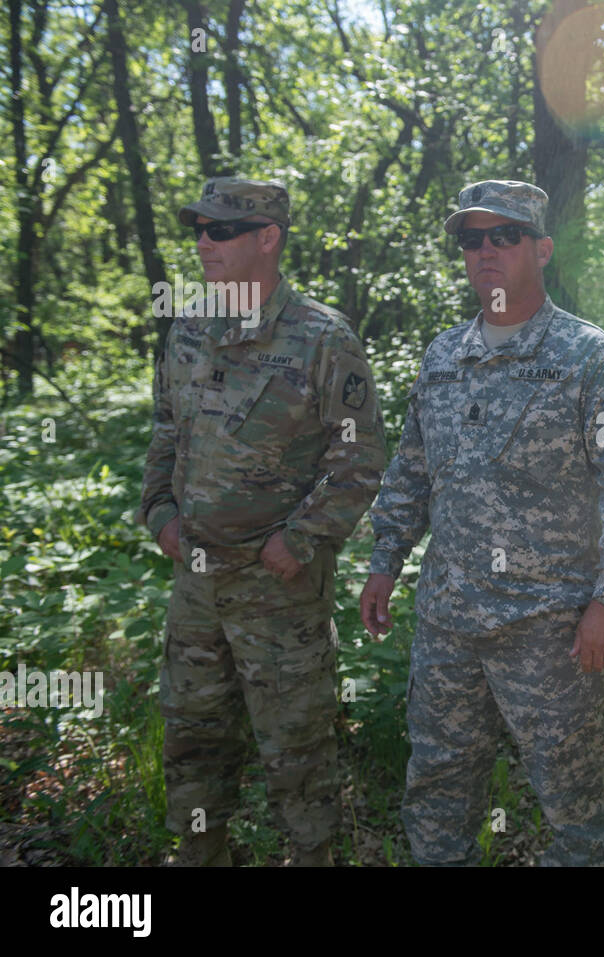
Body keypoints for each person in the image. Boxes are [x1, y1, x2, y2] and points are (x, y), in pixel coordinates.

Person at [359, 180, 604, 866]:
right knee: (437, 785)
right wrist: (386, 558)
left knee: (575, 804)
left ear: (543, 249)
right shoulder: (443, 356)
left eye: (505, 235)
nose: (486, 251)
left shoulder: (592, 358)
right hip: (449, 617)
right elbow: (412, 468)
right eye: (472, 239)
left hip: (550, 623)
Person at [139, 177, 387, 866]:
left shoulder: (320, 338)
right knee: (193, 745)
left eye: (220, 230)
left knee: (299, 759)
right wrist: (159, 514)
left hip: (279, 594)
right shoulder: (189, 329)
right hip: (195, 588)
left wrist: (300, 539)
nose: (203, 242)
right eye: (199, 229)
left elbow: (360, 459)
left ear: (267, 237)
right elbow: (164, 433)